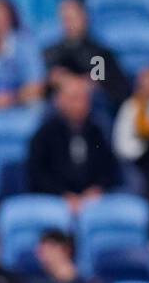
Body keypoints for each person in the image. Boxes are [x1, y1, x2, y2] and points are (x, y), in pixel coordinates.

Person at [27, 72, 120, 207]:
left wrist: (97, 189)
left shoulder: (97, 131)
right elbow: (37, 173)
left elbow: (109, 168)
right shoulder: (45, 133)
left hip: (92, 199)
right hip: (55, 198)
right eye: (74, 98)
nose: (79, 104)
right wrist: (63, 194)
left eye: (83, 98)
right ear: (59, 101)